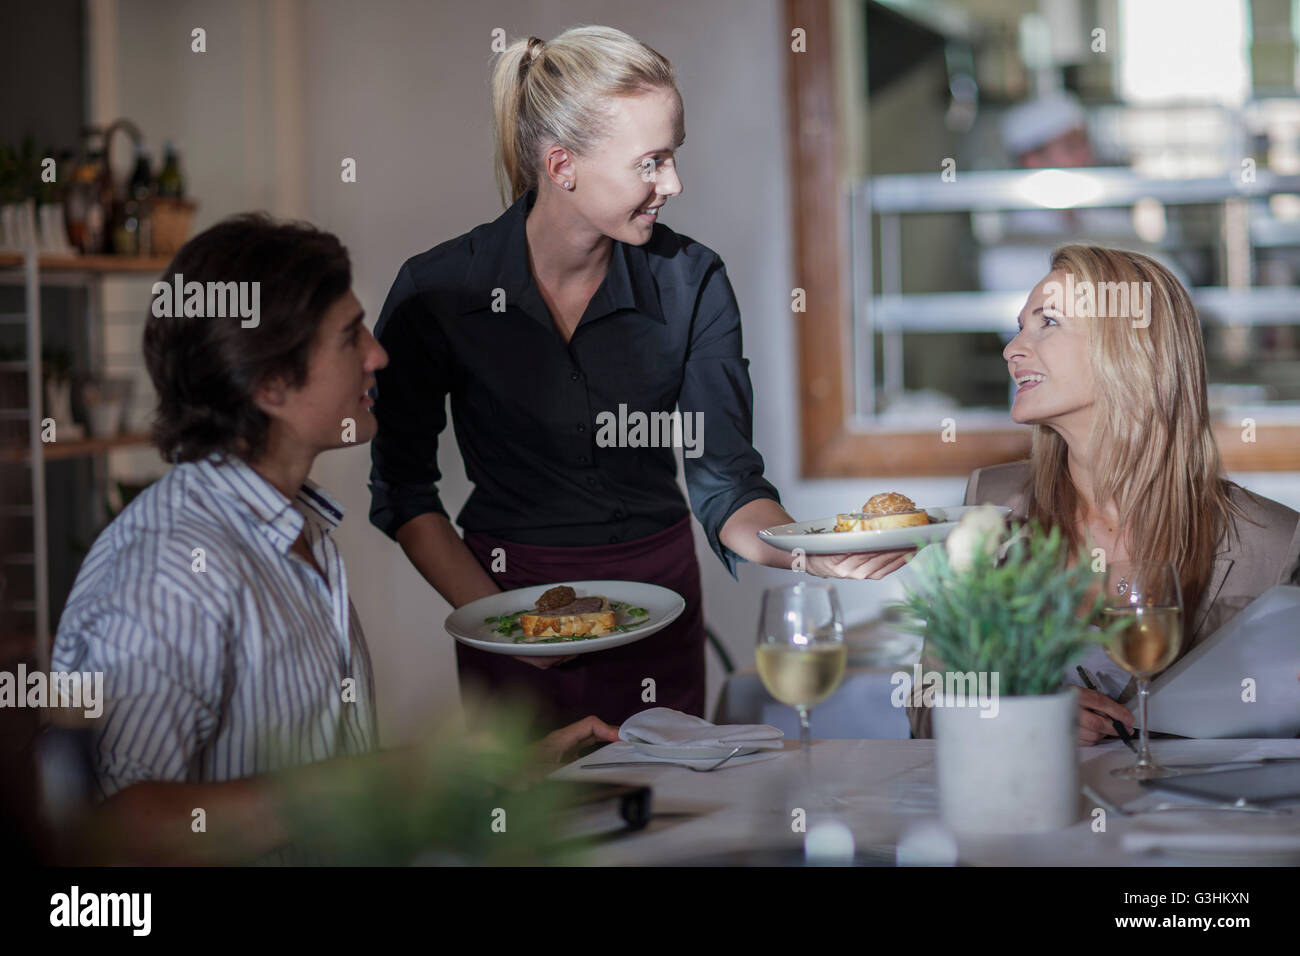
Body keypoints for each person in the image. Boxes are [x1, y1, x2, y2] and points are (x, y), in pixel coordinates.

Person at [368, 26, 909, 733]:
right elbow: (404, 494)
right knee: (532, 835)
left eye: (673, 155)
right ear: (562, 166)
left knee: (671, 822)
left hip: (658, 599)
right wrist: (509, 630)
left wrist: (819, 557)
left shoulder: (692, 282)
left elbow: (727, 486)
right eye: (650, 162)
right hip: (505, 598)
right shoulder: (438, 290)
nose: (673, 184)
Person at [49, 214, 619, 864]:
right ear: (269, 384)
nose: (378, 354)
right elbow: (115, 827)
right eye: (351, 336)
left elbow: (318, 786)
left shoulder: (301, 532)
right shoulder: (169, 565)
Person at [908, 245, 1300, 742]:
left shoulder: (1272, 542)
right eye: (1019, 327)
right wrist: (1017, 714)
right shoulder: (992, 505)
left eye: (1047, 323)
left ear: (1135, 347)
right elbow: (925, 712)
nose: (1011, 350)